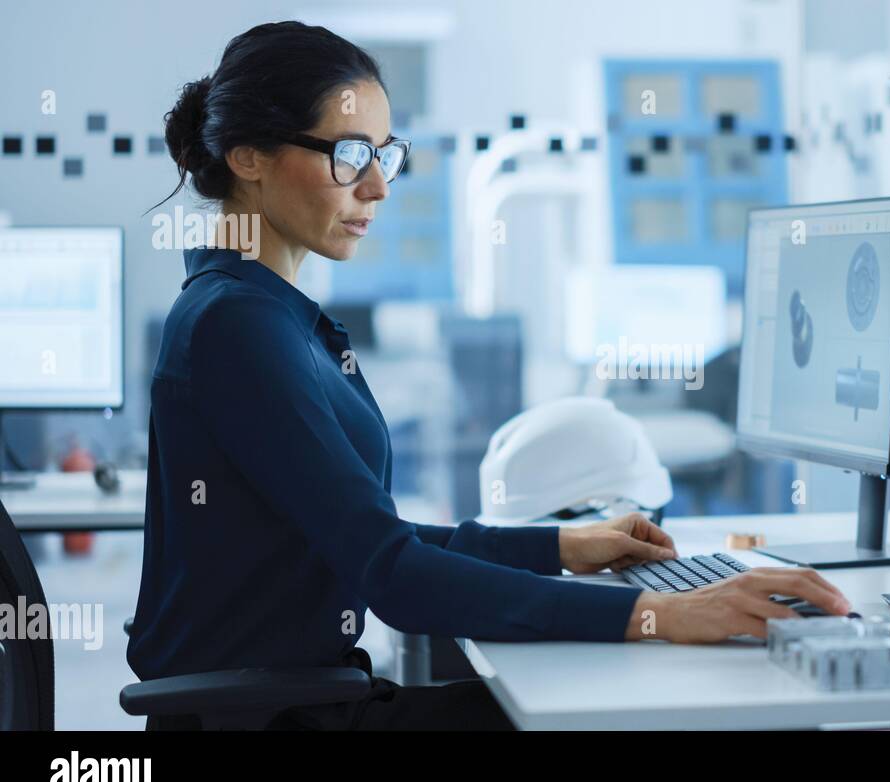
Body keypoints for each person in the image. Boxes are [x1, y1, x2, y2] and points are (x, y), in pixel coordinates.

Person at [128, 21, 850, 731]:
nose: (377, 186)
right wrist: (667, 611)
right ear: (248, 156)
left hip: (296, 704)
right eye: (349, 155)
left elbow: (366, 537)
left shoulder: (256, 309)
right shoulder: (238, 325)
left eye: (384, 154)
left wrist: (562, 546)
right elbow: (395, 576)